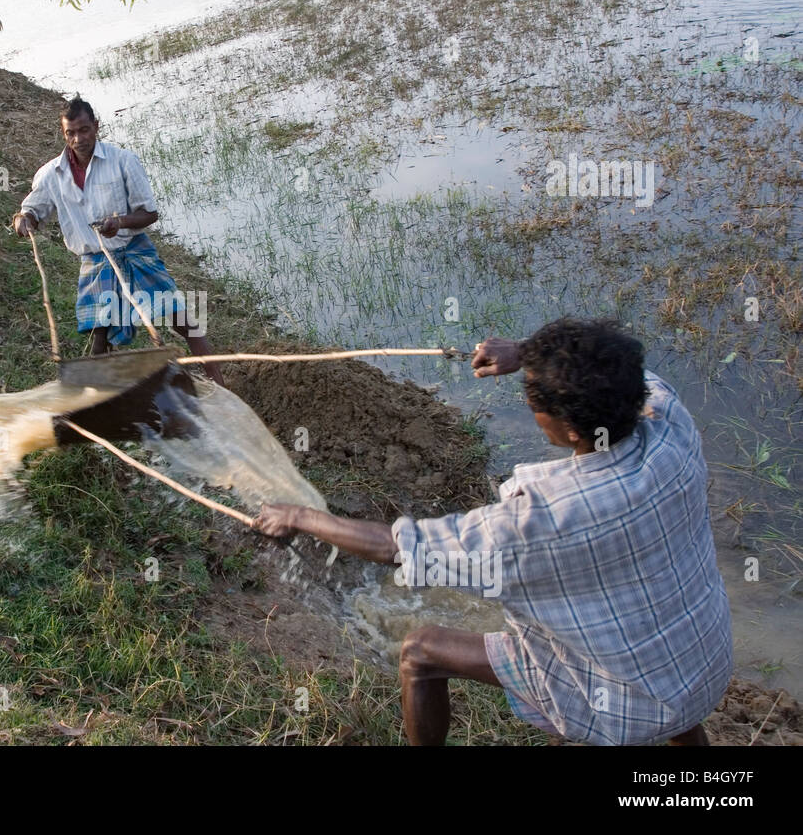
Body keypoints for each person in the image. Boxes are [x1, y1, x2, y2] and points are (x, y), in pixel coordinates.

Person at [254, 317, 733, 746]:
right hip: (701, 671)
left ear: (566, 428)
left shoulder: (540, 521)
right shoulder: (671, 423)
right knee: (653, 665)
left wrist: (298, 516)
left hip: (623, 706)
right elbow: (620, 366)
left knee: (420, 652)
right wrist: (526, 353)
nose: (528, 400)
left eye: (533, 398)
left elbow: (396, 548)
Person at [12, 97, 225, 386]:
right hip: (95, 261)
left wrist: (120, 222)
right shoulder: (51, 174)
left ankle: (220, 386)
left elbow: (149, 213)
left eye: (84, 130)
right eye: (71, 133)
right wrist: (23, 221)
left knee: (183, 321)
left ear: (96, 127)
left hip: (134, 252)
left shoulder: (123, 161)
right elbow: (32, 211)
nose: (79, 138)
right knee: (100, 336)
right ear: (63, 134)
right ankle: (106, 398)